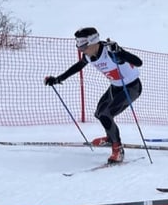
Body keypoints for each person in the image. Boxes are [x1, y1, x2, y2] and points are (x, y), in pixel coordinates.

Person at [44, 27, 142, 164]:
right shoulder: (89, 56)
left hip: (131, 87)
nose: (81, 49)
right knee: (99, 113)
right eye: (78, 45)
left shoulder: (110, 52)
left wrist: (120, 52)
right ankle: (110, 137)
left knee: (106, 115)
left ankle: (118, 148)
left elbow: (138, 62)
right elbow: (77, 67)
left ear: (94, 41)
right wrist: (58, 79)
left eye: (83, 45)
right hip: (115, 87)